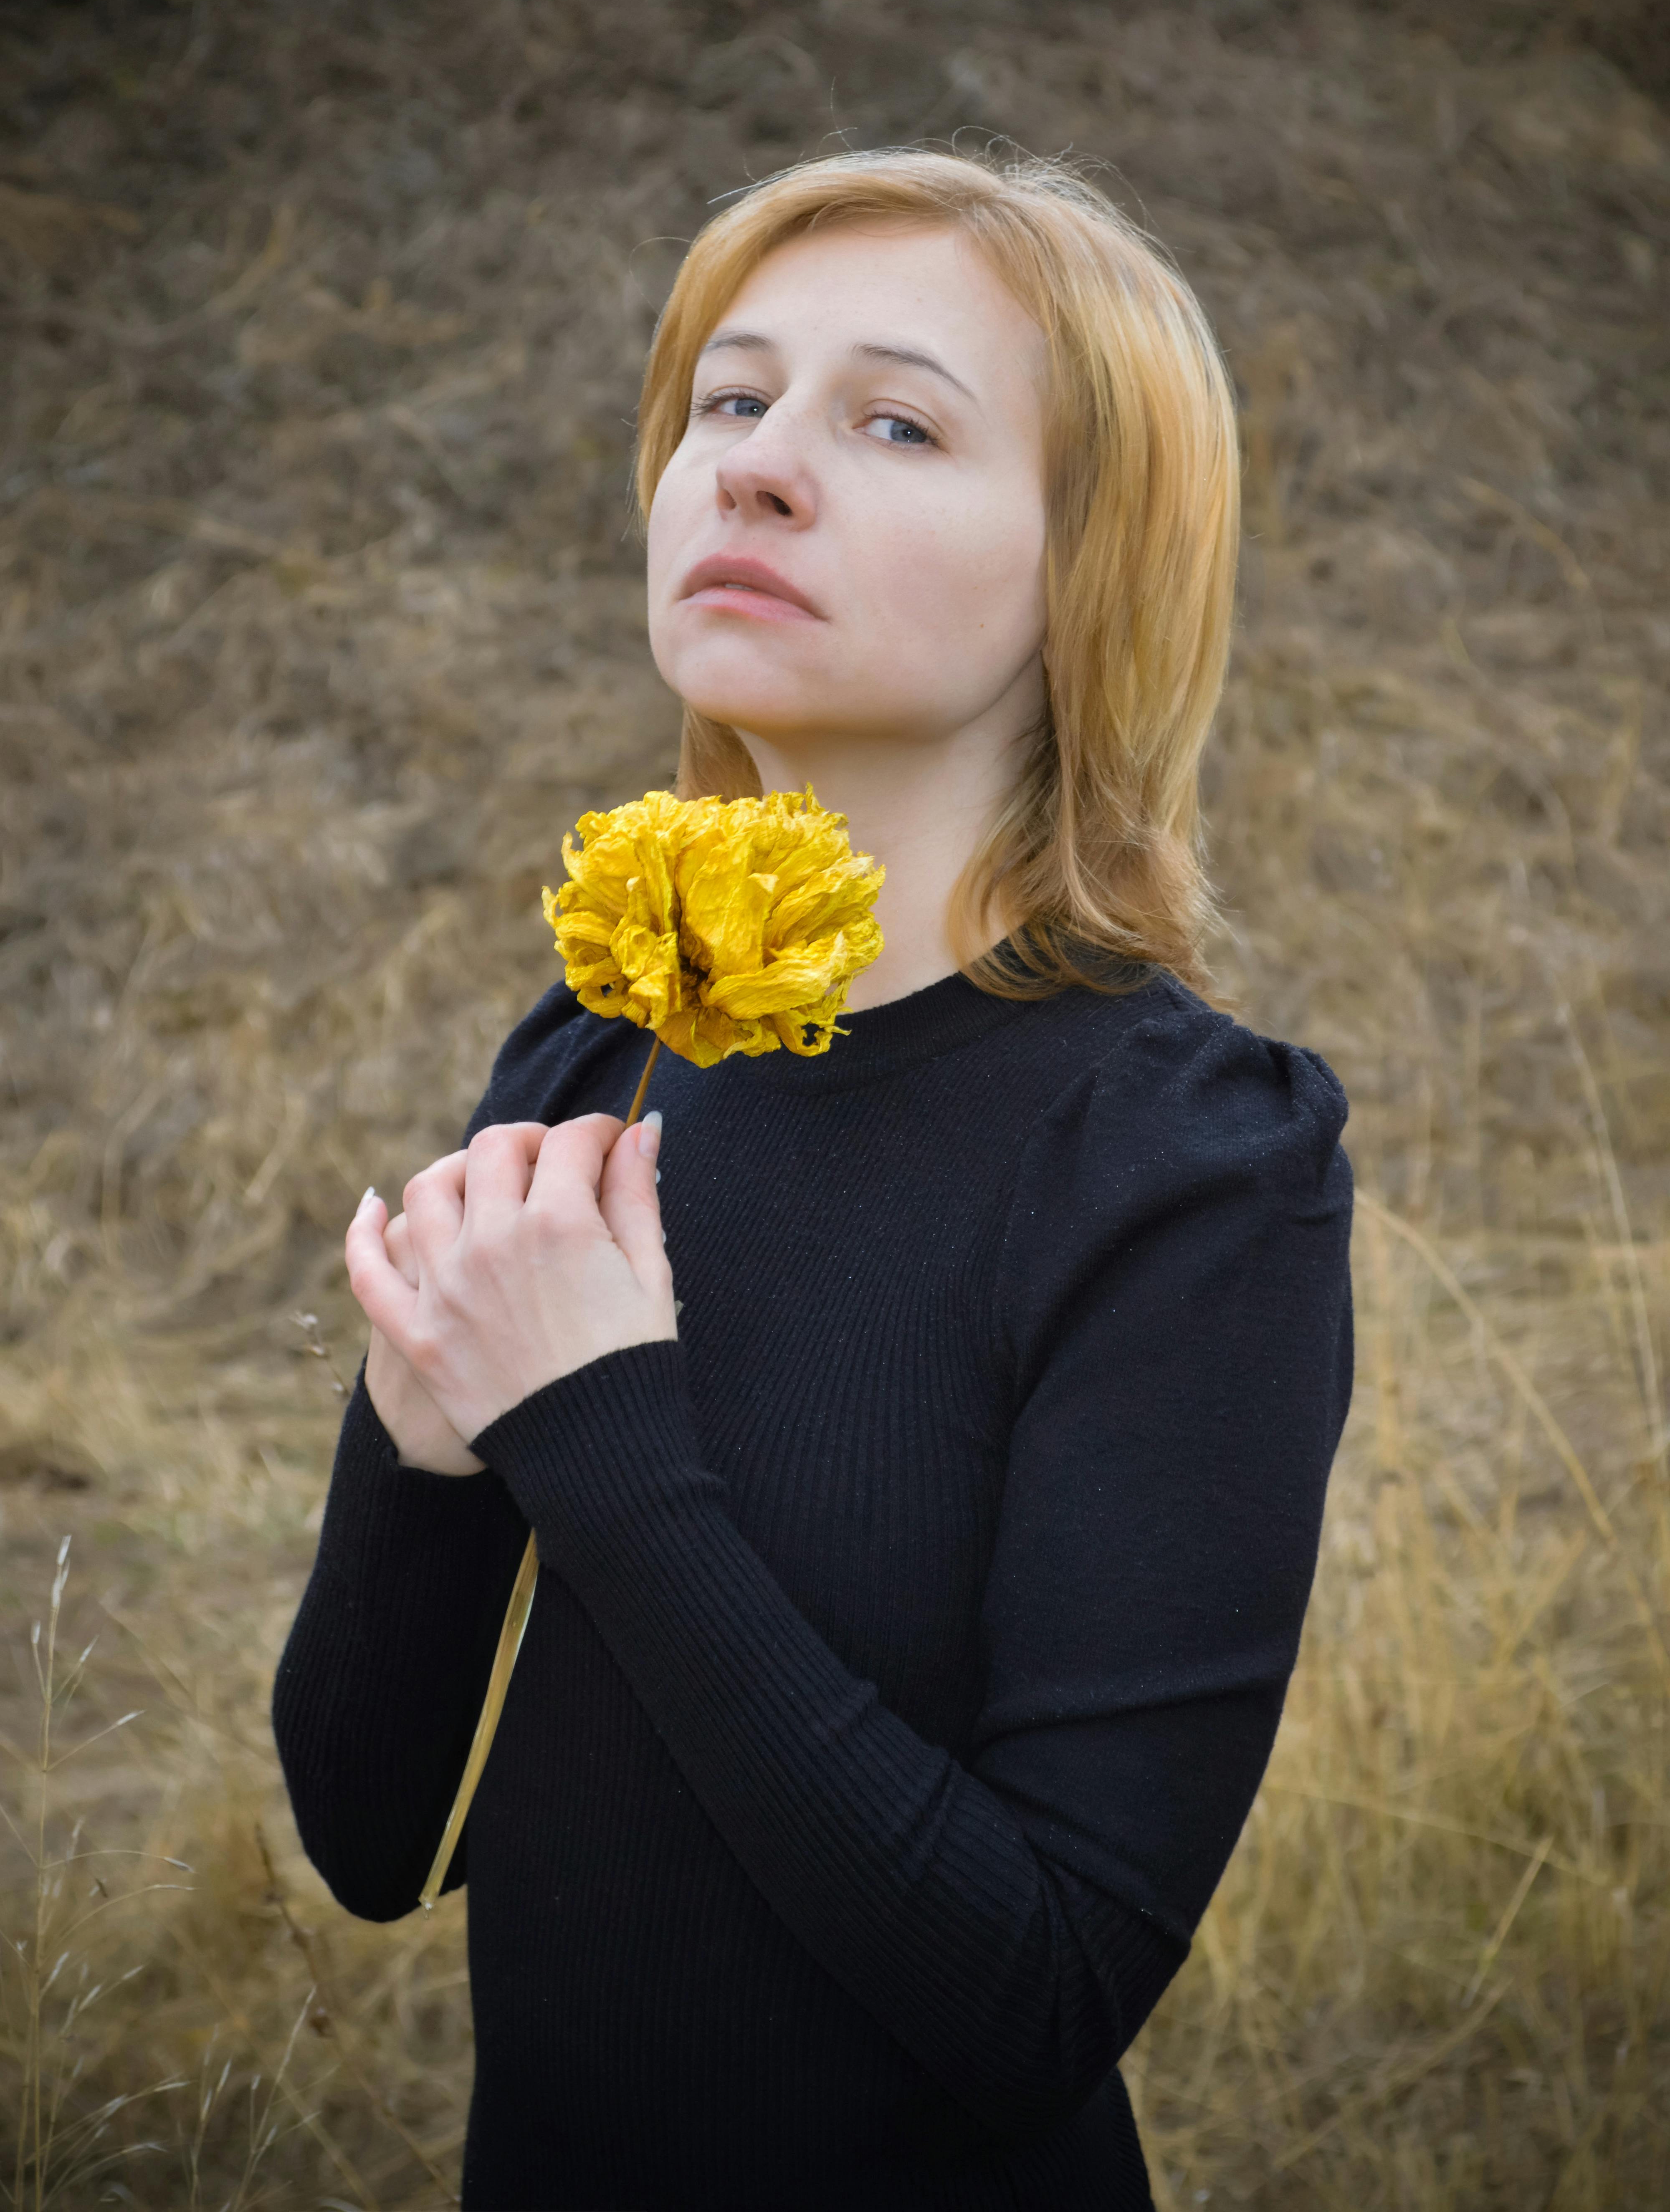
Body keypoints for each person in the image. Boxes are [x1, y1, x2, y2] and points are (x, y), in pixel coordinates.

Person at [272, 146, 1354, 2212]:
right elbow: (368, 1840)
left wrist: (593, 1430)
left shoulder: (1186, 1160)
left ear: (1093, 560)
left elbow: (1037, 1995)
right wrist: (413, 1448)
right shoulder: (599, 1047)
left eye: (895, 422)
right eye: (729, 400)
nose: (754, 469)